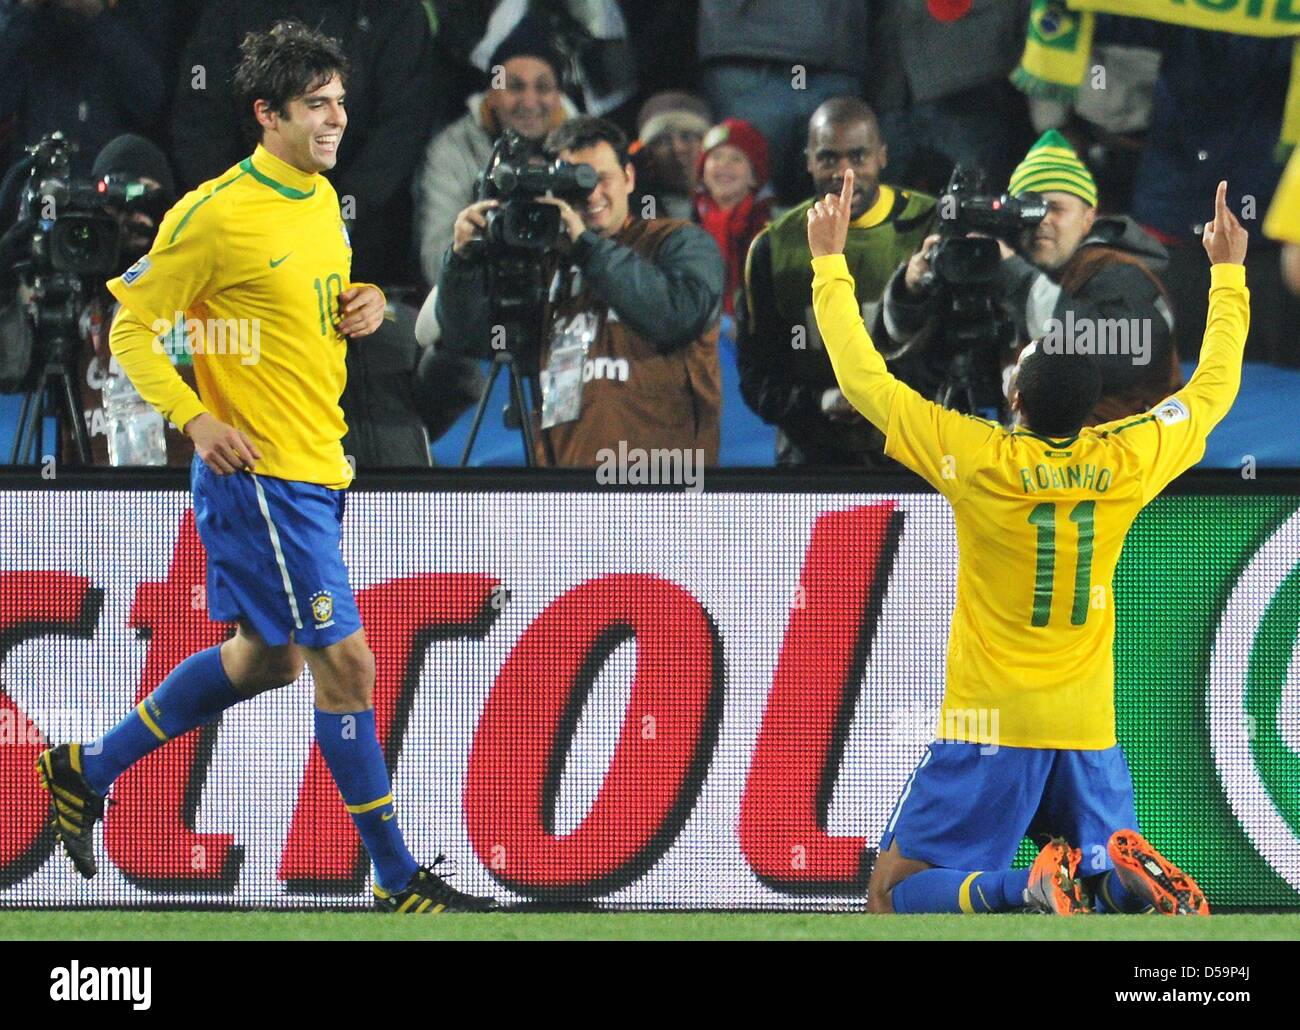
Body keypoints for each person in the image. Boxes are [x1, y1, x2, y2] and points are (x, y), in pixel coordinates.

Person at [34, 20, 494, 915]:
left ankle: (85, 769)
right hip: (261, 479)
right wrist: (196, 418)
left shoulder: (320, 199)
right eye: (316, 106)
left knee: (266, 660)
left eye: (340, 102)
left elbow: (296, 309)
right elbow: (131, 324)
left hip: (318, 470)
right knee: (346, 666)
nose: (336, 118)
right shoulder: (212, 214)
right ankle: (396, 878)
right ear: (265, 114)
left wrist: (355, 306)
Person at [808, 168, 1248, 914]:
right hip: (1089, 725)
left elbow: (863, 381)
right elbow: (1212, 390)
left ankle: (1027, 886)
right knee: (1100, 882)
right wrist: (1229, 275)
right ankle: (1115, 880)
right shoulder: (1127, 456)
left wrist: (829, 262)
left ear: (1015, 397)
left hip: (991, 720)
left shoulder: (978, 459)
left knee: (894, 891)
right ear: (1087, 414)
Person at [437, 116, 723, 468]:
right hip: (566, 496)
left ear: (629, 178)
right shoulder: (544, 259)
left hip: (663, 490)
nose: (590, 194)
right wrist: (462, 262)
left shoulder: (678, 242)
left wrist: (586, 248)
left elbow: (675, 317)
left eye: (600, 178)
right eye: (573, 184)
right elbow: (468, 338)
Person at [884, 129, 1179, 426]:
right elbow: (897, 351)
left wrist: (1016, 280)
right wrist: (911, 289)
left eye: (1056, 209)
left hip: (1114, 461)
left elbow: (1117, 357)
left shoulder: (1121, 271)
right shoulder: (994, 267)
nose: (1042, 220)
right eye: (1030, 209)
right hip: (1021, 456)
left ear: (1089, 216)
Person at [737, 97, 935, 466]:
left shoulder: (931, 227)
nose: (843, 173)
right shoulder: (772, 248)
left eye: (858, 157)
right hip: (812, 462)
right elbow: (756, 376)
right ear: (809, 160)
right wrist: (819, 403)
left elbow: (957, 355)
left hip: (915, 457)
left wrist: (886, 404)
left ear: (882, 157)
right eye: (828, 158)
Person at [415, 14, 571, 289]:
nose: (530, 101)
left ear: (559, 96)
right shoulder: (452, 149)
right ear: (491, 94)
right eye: (515, 87)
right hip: (484, 297)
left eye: (543, 87)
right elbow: (433, 260)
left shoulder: (586, 147)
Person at [694, 118, 772, 317]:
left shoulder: (768, 226)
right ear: (702, 172)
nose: (724, 165)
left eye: (736, 158)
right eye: (716, 156)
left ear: (754, 177)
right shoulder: (686, 220)